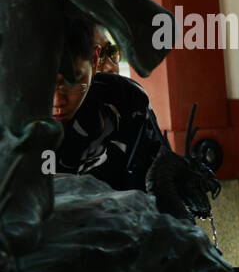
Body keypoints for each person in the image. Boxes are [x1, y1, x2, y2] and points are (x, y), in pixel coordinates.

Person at [52, 11, 165, 193]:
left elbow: (146, 196)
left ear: (93, 60)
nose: (58, 100)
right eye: (44, 83)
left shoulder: (126, 102)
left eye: (73, 81)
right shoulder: (10, 120)